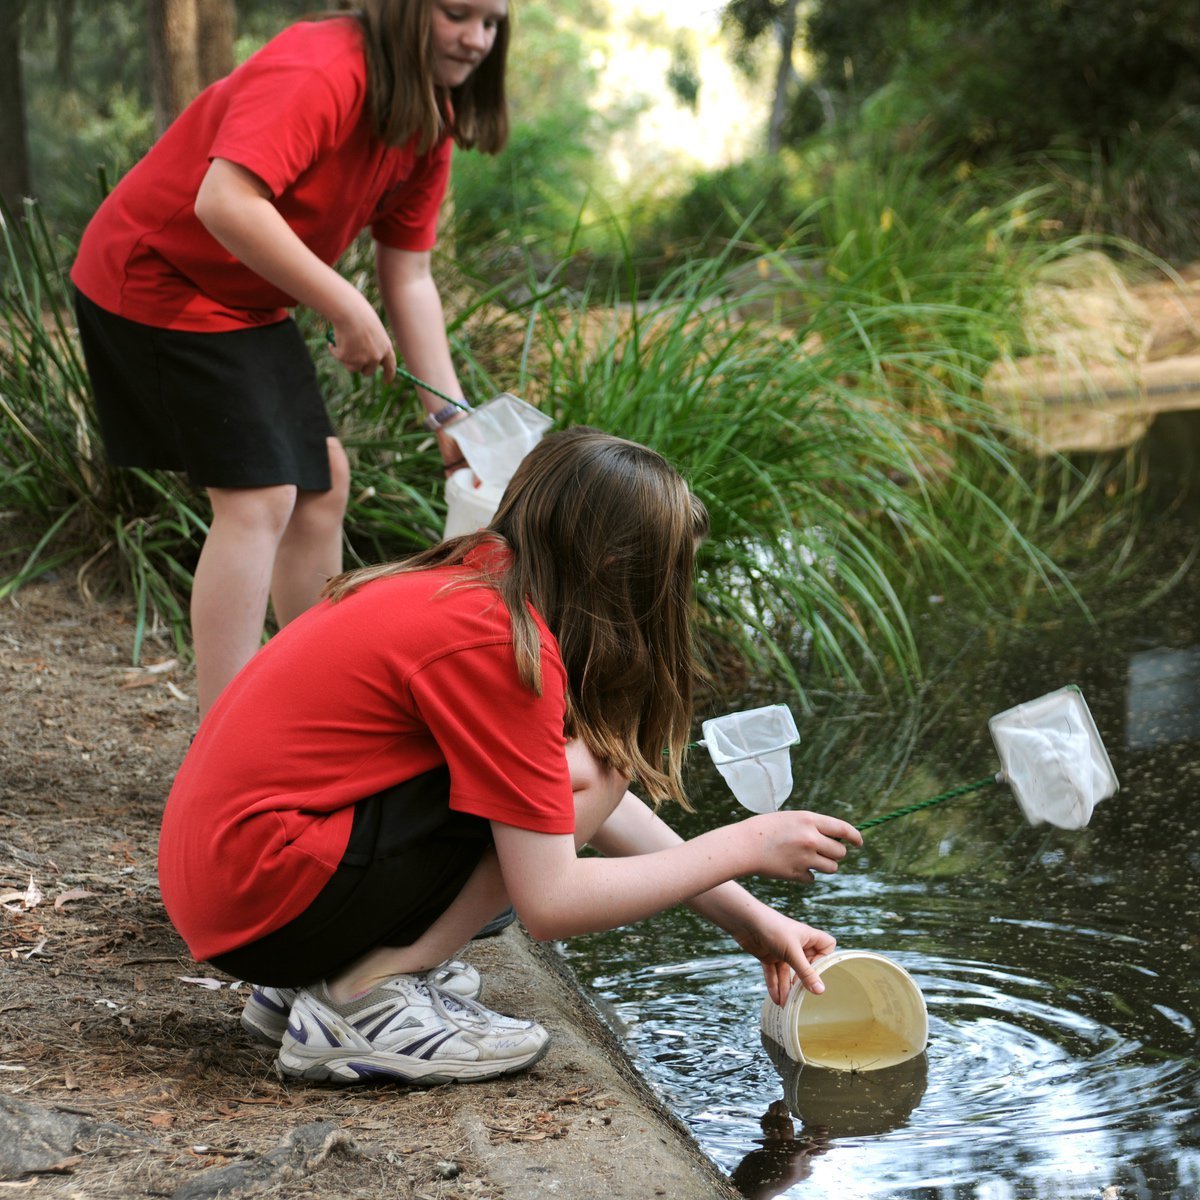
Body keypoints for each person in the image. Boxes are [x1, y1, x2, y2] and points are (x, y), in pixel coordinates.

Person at [157, 428, 864, 1085]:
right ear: (619, 566)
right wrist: (747, 842)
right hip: (262, 891)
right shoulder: (498, 643)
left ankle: (318, 981)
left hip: (234, 886)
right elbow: (552, 897)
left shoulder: (466, 584)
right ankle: (364, 1000)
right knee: (590, 765)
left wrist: (752, 922)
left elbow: (579, 804)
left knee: (577, 772)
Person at [70, 0, 510, 719]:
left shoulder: (428, 116)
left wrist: (453, 420)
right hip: (155, 275)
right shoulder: (322, 68)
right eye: (458, 14)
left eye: (492, 23)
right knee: (261, 495)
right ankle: (224, 750)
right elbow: (225, 202)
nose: (476, 40)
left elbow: (410, 276)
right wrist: (343, 305)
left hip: (244, 297)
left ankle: (312, 718)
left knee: (321, 486)